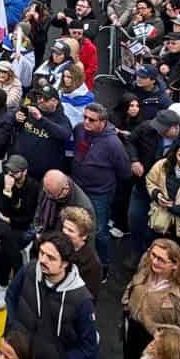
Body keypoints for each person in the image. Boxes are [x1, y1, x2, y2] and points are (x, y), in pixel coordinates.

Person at [6, 230, 99, 359]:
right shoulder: (30, 270)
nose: (43, 260)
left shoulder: (82, 300)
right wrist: (14, 328)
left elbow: (89, 348)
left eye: (51, 257)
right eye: (41, 254)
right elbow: (11, 296)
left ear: (65, 263)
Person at [121, 238, 180, 359]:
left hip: (159, 346)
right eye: (153, 255)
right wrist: (126, 303)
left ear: (175, 265)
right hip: (133, 332)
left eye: (161, 259)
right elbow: (133, 284)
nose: (154, 261)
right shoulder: (146, 268)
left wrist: (174, 354)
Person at [69, 102, 136, 265]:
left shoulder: (113, 144)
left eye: (91, 120)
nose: (86, 122)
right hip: (78, 188)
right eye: (85, 117)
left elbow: (125, 171)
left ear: (103, 122)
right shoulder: (79, 129)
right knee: (75, 225)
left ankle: (103, 264)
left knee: (98, 231)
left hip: (99, 194)